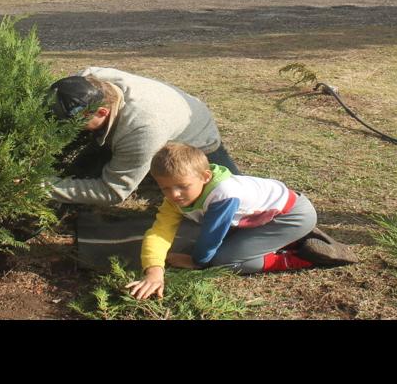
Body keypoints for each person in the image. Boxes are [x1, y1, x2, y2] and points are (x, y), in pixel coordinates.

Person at [125, 142, 357, 300]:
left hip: (292, 217)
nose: (174, 195)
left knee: (224, 261)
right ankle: (286, 240)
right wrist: (154, 269)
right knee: (220, 247)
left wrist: (198, 262)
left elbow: (211, 237)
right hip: (267, 217)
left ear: (205, 177)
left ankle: (301, 255)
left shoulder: (223, 194)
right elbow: (160, 232)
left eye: (182, 187)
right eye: (165, 188)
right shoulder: (178, 197)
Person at [46, 67, 242, 207]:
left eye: (69, 122)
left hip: (197, 137)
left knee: (232, 197)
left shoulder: (141, 130)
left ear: (102, 112)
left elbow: (112, 191)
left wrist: (42, 186)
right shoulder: (85, 81)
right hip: (164, 114)